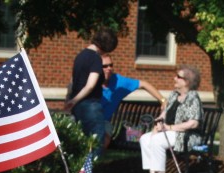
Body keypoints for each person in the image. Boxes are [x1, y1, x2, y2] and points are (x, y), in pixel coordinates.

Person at [137, 66, 202, 173]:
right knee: (145, 139)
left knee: (158, 140)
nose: (174, 78)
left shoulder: (193, 98)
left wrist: (169, 127)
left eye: (178, 76)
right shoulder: (173, 95)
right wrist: (159, 123)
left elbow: (193, 123)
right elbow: (165, 113)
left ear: (186, 81)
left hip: (187, 135)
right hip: (169, 131)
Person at [65, 27, 119, 158]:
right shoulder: (95, 58)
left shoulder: (80, 56)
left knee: (82, 141)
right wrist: (74, 100)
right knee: (95, 142)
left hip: (78, 108)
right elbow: (90, 85)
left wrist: (70, 99)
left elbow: (72, 81)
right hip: (91, 106)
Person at [100, 55, 163, 150]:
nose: (109, 68)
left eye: (111, 65)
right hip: (87, 120)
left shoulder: (117, 81)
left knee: (104, 140)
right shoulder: (90, 82)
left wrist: (163, 100)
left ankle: (91, 163)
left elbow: (144, 84)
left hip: (104, 123)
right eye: (105, 66)